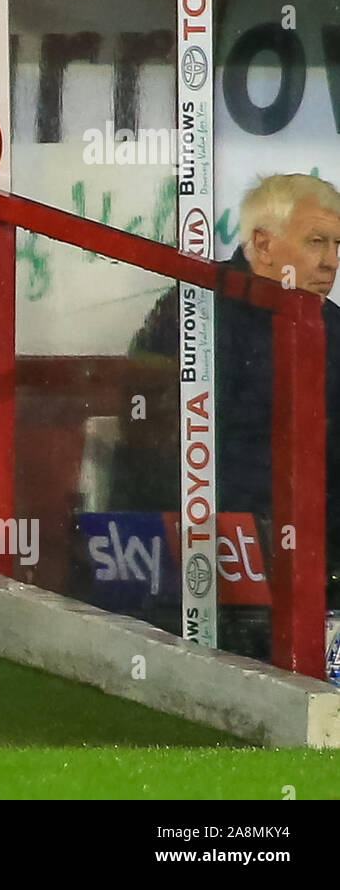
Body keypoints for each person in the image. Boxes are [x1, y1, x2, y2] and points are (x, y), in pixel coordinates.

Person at [110, 173, 340, 652]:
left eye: (337, 244)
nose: (331, 262)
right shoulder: (196, 311)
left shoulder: (331, 326)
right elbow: (163, 455)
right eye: (316, 242)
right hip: (215, 554)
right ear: (263, 242)